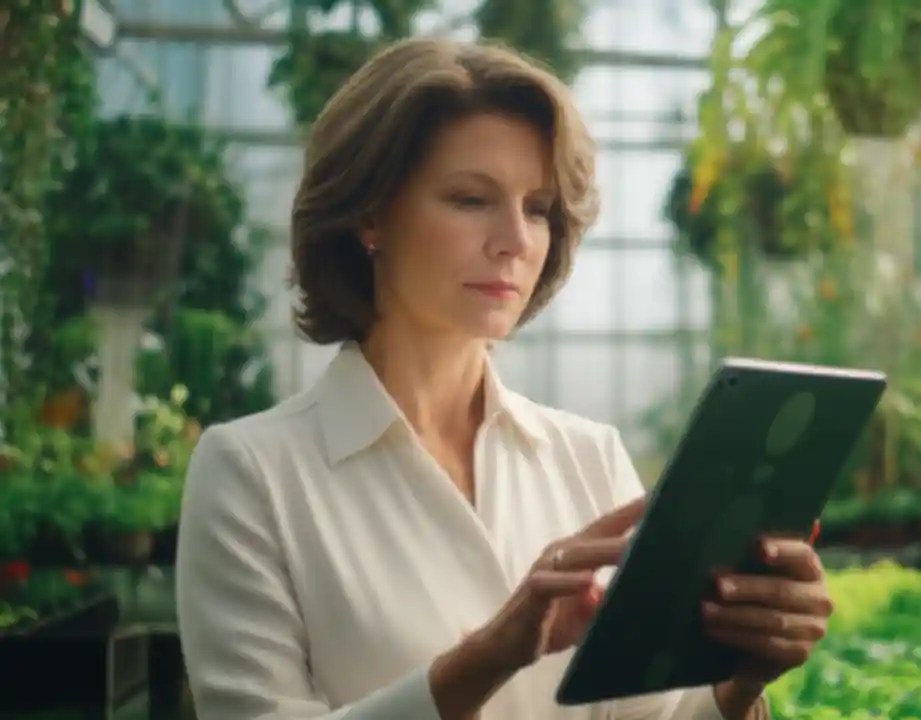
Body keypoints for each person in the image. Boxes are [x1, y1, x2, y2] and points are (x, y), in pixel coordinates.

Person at [175, 37, 833, 720]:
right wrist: (488, 655)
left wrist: (738, 683)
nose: (515, 239)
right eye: (470, 198)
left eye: (539, 207)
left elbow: (652, 715)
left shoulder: (590, 457)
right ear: (369, 215)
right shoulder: (252, 473)